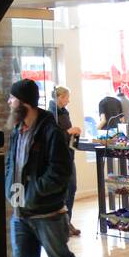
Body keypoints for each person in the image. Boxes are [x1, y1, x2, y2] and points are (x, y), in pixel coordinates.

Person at [6, 78, 96, 257]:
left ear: (24, 103)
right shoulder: (18, 130)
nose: (9, 101)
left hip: (47, 214)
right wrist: (10, 192)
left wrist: (32, 195)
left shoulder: (51, 132)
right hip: (21, 213)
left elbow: (59, 173)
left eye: (12, 98)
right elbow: (11, 164)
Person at [50, 85, 81, 235]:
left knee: (72, 188)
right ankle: (62, 224)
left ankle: (67, 222)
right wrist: (69, 131)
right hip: (59, 158)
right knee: (64, 191)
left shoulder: (63, 112)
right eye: (67, 97)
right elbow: (52, 136)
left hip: (68, 155)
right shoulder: (51, 113)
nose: (68, 101)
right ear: (60, 97)